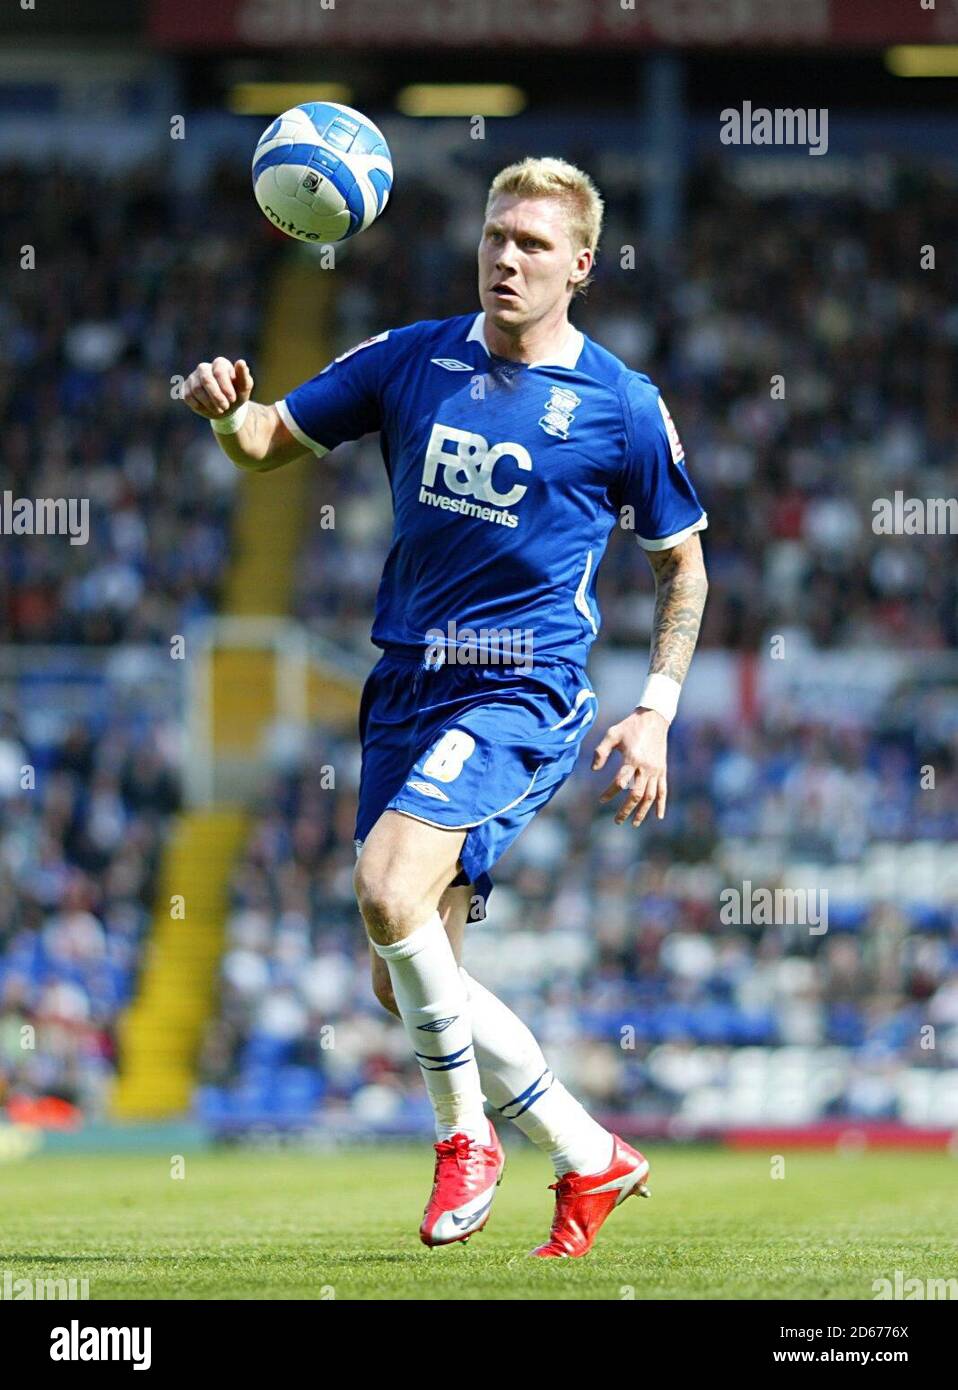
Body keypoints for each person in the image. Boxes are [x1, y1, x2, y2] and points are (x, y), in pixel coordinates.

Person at [182, 157, 709, 1258]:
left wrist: (655, 707)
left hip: (521, 685)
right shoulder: (411, 357)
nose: (505, 257)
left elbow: (682, 568)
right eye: (494, 235)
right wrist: (228, 417)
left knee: (384, 885)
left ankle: (464, 1134)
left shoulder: (619, 403)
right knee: (403, 973)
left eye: (530, 243)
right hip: (406, 686)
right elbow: (272, 443)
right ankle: (590, 1150)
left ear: (580, 264)